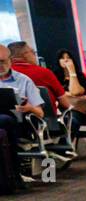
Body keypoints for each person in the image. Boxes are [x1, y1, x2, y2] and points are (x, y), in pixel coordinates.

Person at [0, 45, 42, 186]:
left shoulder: (24, 80)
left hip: (21, 123)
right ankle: (11, 175)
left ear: (10, 60)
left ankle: (13, 174)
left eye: (3, 61)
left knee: (5, 121)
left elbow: (40, 112)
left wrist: (28, 107)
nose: (0, 66)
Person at [8, 41, 71, 113]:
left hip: (13, 120)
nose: (35, 56)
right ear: (25, 55)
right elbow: (65, 104)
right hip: (47, 120)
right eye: (33, 52)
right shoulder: (44, 72)